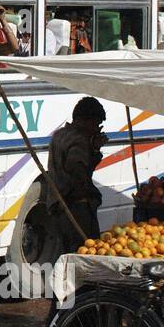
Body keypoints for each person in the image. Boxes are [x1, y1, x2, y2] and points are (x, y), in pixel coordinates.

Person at [45, 97, 108, 252]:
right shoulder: (79, 139)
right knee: (86, 250)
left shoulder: (59, 135)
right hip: (76, 206)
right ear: (86, 121)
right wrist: (94, 150)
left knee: (66, 251)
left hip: (58, 204)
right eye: (96, 124)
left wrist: (93, 148)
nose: (96, 129)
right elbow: (79, 171)